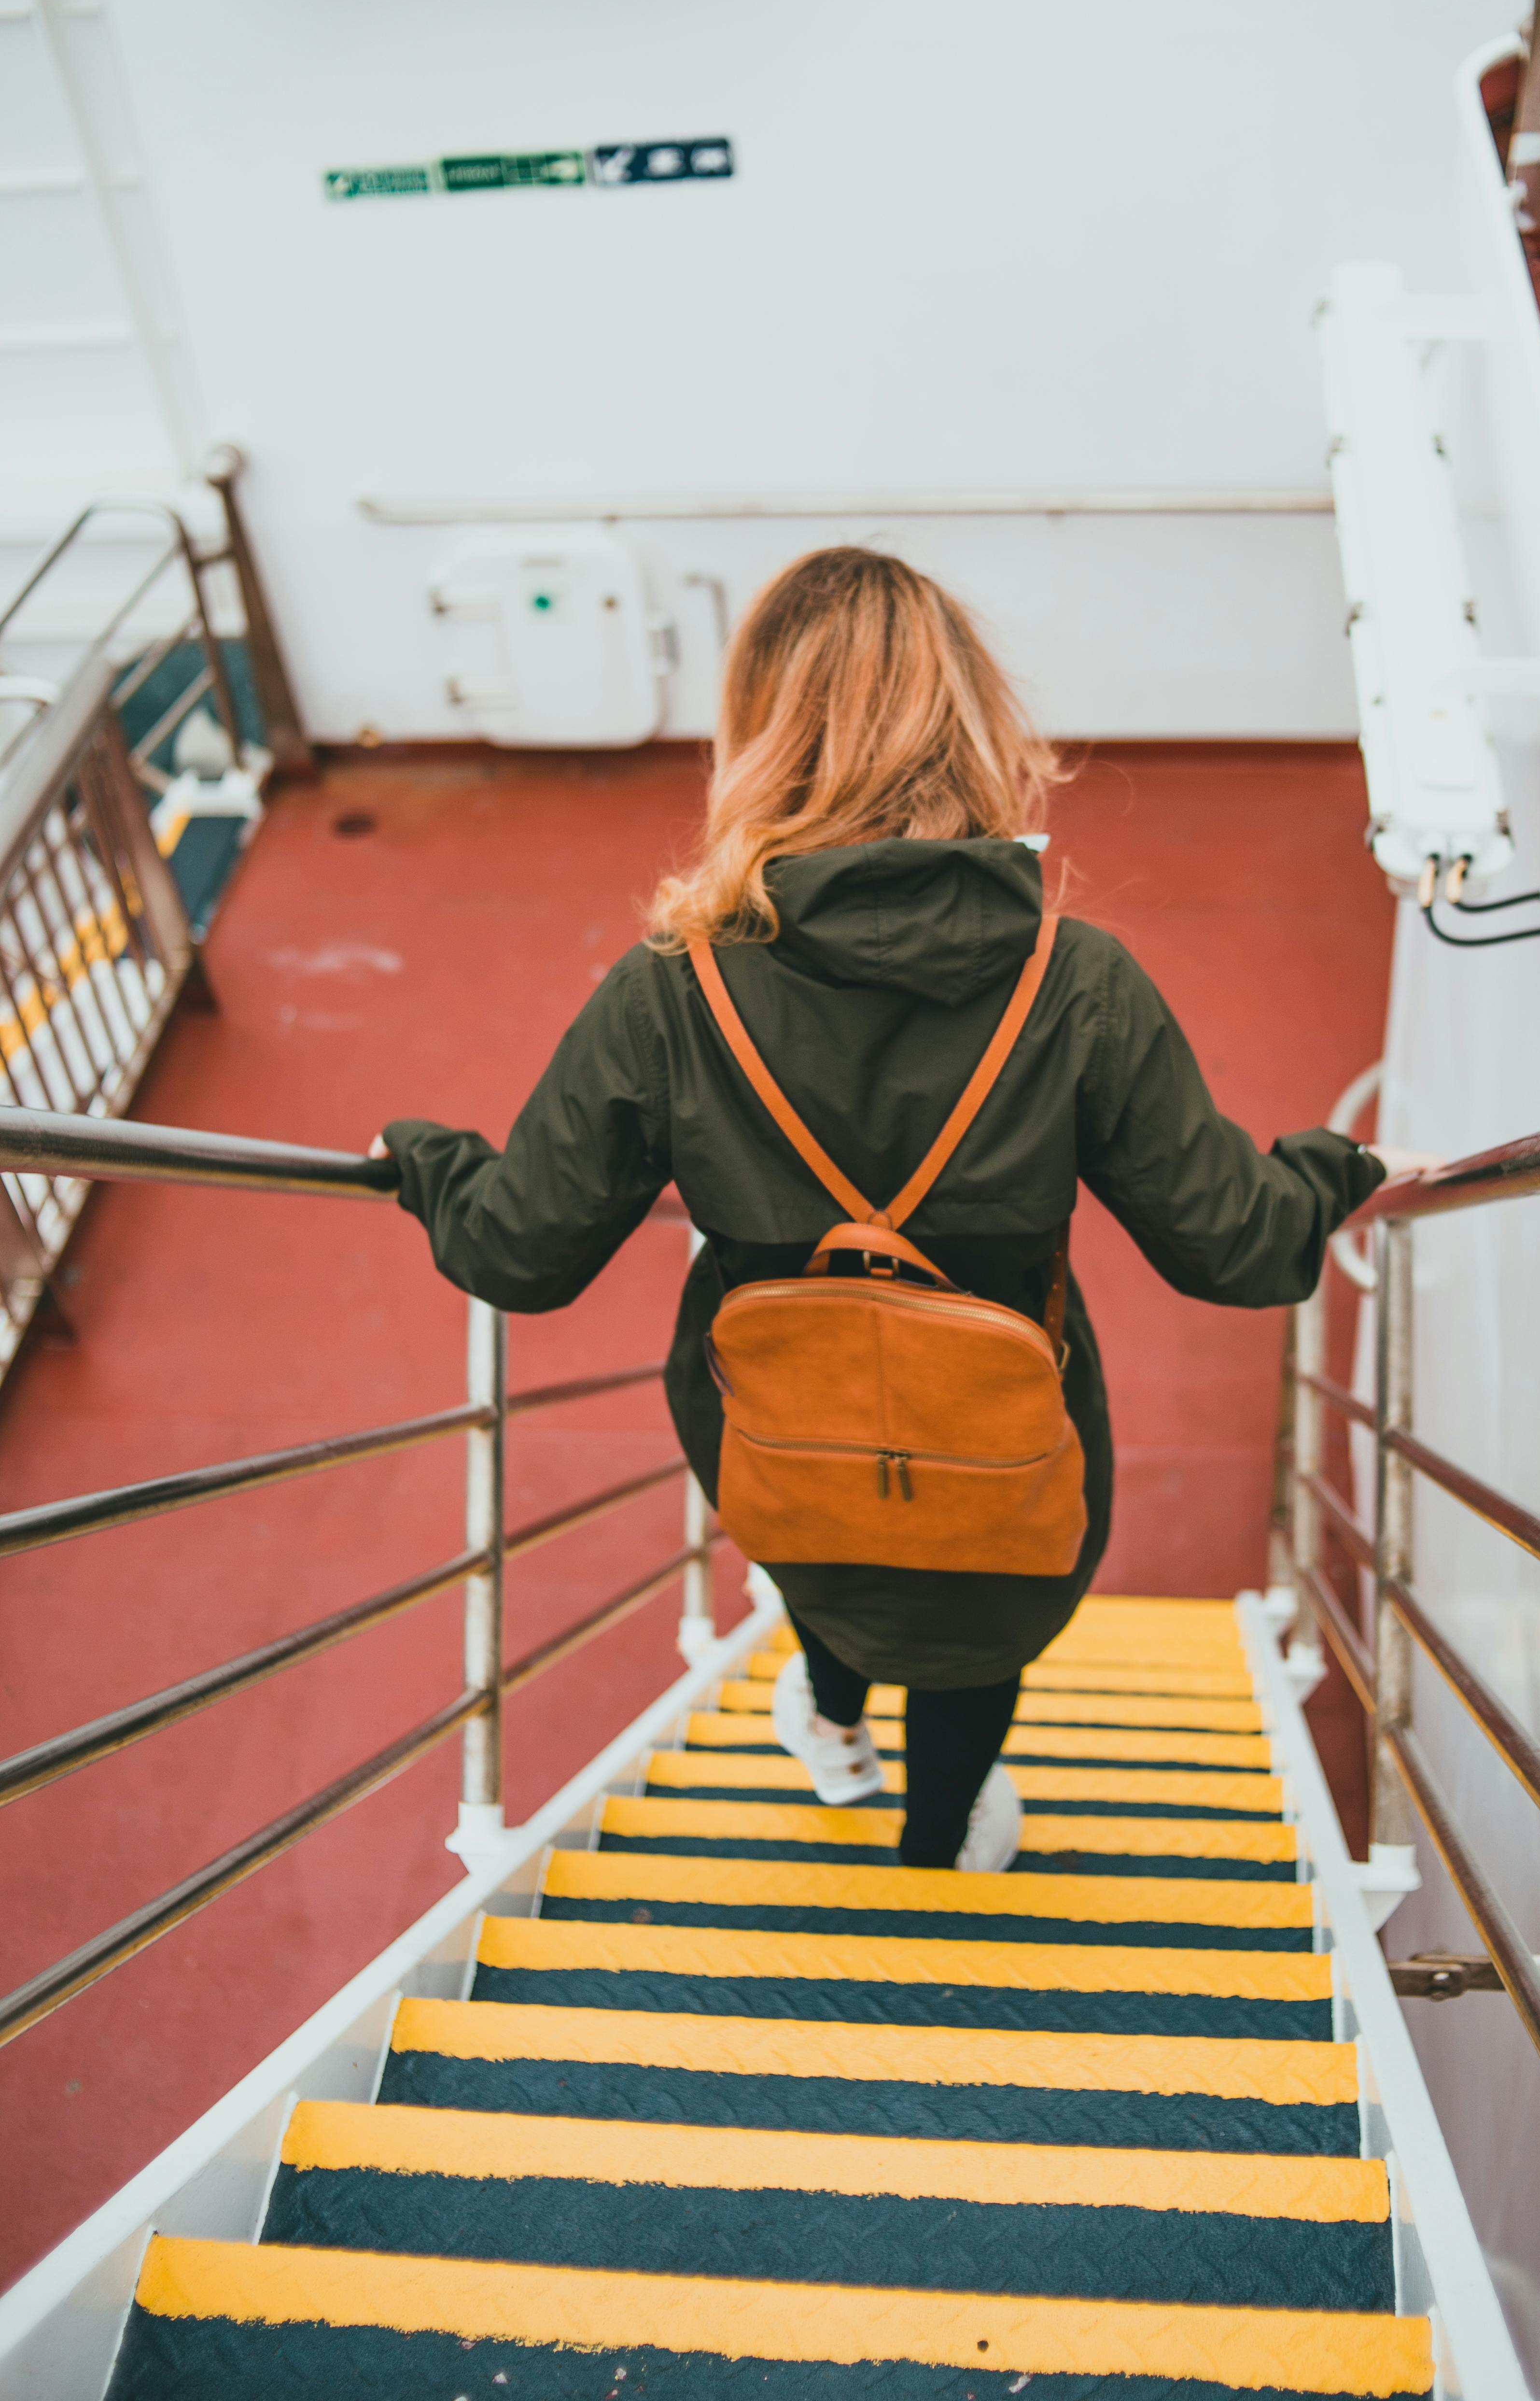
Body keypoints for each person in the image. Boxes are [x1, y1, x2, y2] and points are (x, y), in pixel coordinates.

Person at [375, 548, 1416, 1873]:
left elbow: (518, 1250)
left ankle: (830, 1713)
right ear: (972, 719)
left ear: (758, 734)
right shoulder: (1074, 980)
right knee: (976, 1617)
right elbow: (1243, 1248)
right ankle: (941, 1838)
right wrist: (1342, 1167)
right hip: (1004, 1428)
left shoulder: (674, 988)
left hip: (772, 1418)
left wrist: (426, 1160)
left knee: (821, 1527)